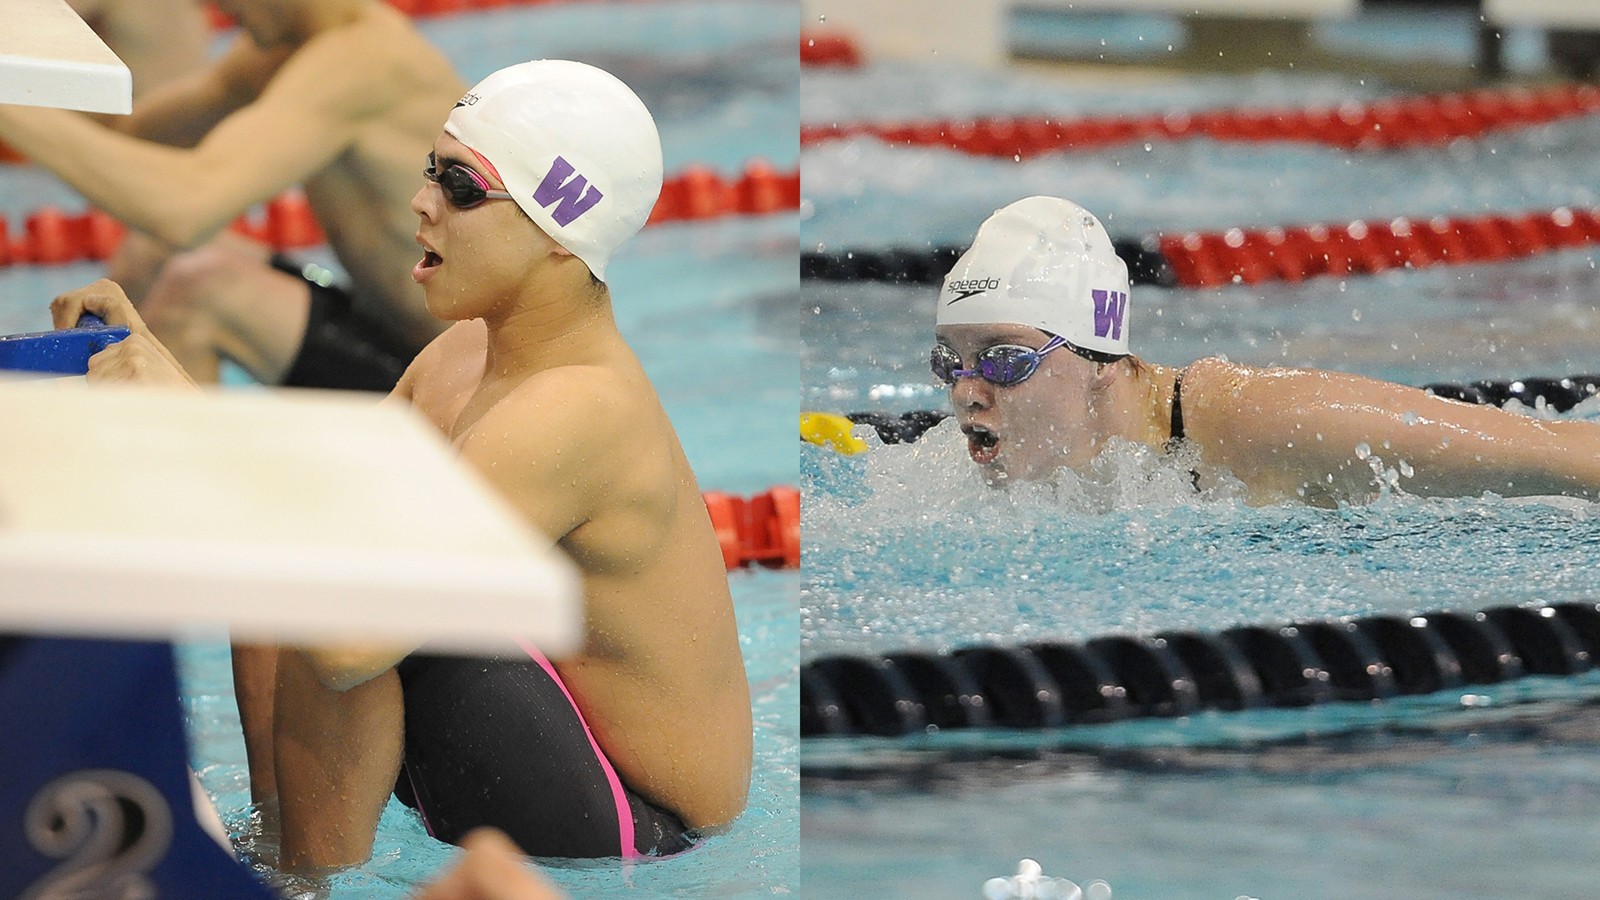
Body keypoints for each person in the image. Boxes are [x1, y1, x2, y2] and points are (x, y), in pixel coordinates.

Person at [51, 59, 753, 870]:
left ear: (558, 228)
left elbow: (352, 640)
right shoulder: (461, 355)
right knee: (302, 541)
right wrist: (162, 375)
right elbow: (314, 495)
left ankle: (300, 881)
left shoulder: (580, 407)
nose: (420, 202)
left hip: (638, 827)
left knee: (359, 601)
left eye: (459, 186)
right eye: (430, 172)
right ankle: (279, 852)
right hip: (550, 737)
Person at [932, 195, 1600, 505]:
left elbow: (1564, 455)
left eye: (1004, 361)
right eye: (950, 363)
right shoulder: (1043, 468)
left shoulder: (1272, 424)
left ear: (1101, 361)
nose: (967, 391)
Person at [1, 0, 464, 390]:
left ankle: (179, 488)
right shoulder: (288, 51)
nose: (214, 7)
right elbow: (136, 136)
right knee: (151, 253)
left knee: (198, 293)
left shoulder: (366, 61)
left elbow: (185, 210)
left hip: (458, 373)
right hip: (383, 323)